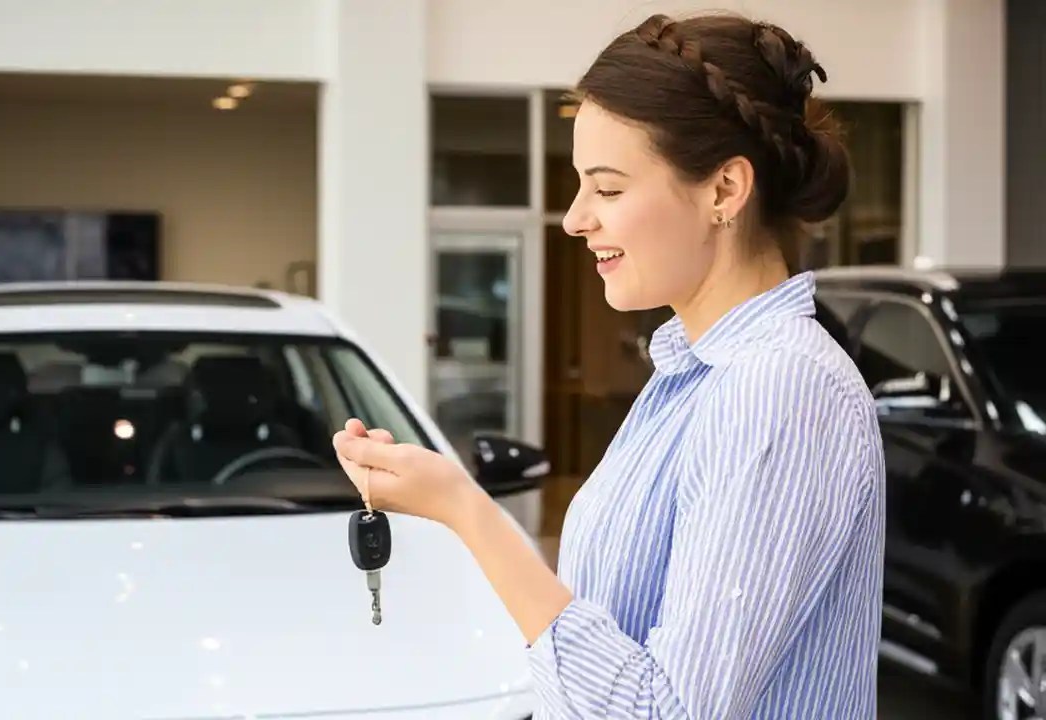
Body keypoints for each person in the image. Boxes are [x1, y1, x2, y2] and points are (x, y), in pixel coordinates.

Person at [333, 10, 886, 720]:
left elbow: (667, 710)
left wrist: (465, 510)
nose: (574, 218)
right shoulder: (694, 376)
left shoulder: (778, 389)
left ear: (725, 190)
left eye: (609, 188)